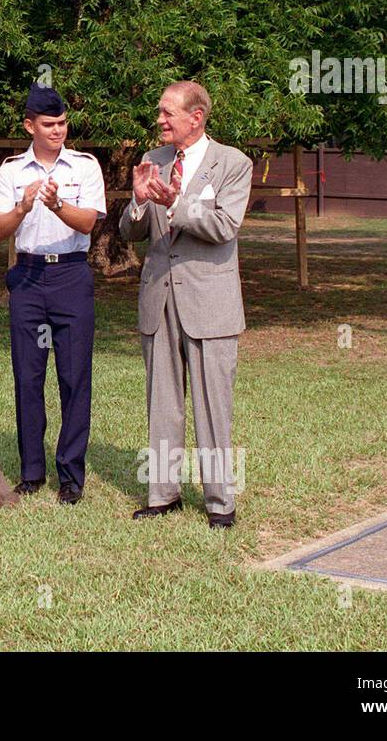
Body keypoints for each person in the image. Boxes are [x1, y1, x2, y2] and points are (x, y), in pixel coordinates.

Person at [119, 80, 252, 528]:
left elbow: (224, 226)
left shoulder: (233, 164)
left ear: (196, 117)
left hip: (210, 303)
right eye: (159, 112)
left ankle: (220, 503)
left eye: (167, 112)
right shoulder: (152, 162)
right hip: (158, 300)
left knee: (214, 405)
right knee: (162, 401)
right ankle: (163, 494)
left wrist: (176, 201)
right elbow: (129, 232)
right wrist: (137, 201)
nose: (159, 120)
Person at [0, 83, 106, 504]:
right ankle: (31, 471)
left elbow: (89, 222)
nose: (58, 131)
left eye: (62, 123)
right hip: (29, 278)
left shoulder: (84, 167)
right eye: (49, 124)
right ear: (29, 125)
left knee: (74, 377)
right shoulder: (11, 171)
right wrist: (22, 207)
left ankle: (71, 476)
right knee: (28, 376)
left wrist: (56, 206)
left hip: (71, 277)